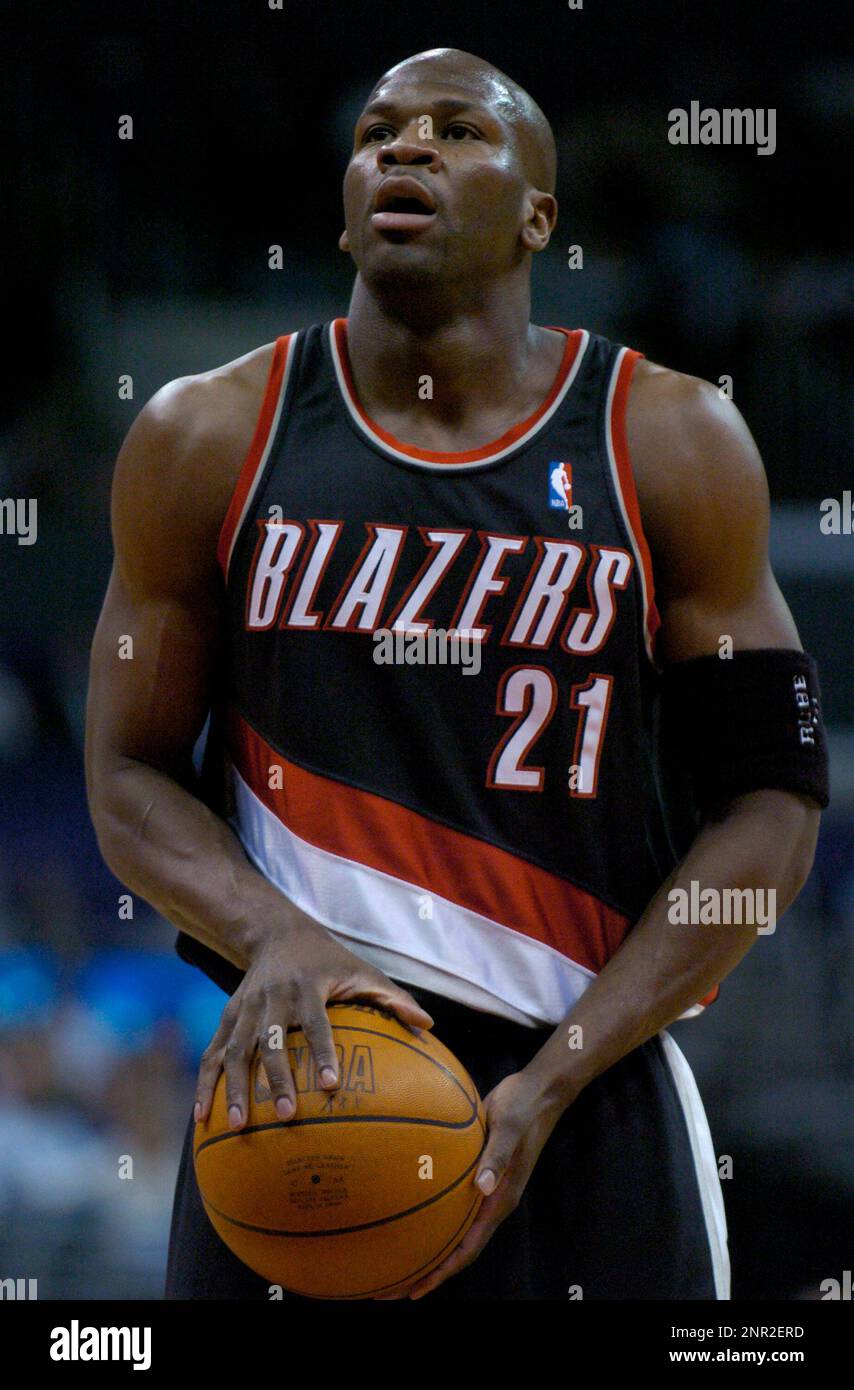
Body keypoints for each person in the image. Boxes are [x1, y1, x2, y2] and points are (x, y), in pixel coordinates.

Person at [84, 47, 828, 1300]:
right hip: (294, 1100)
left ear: (538, 215)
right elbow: (125, 772)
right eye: (379, 131)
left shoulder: (670, 439)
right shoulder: (205, 435)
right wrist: (271, 932)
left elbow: (770, 803)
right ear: (343, 202)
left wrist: (565, 1065)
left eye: (456, 131)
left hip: (591, 1100)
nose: (407, 148)